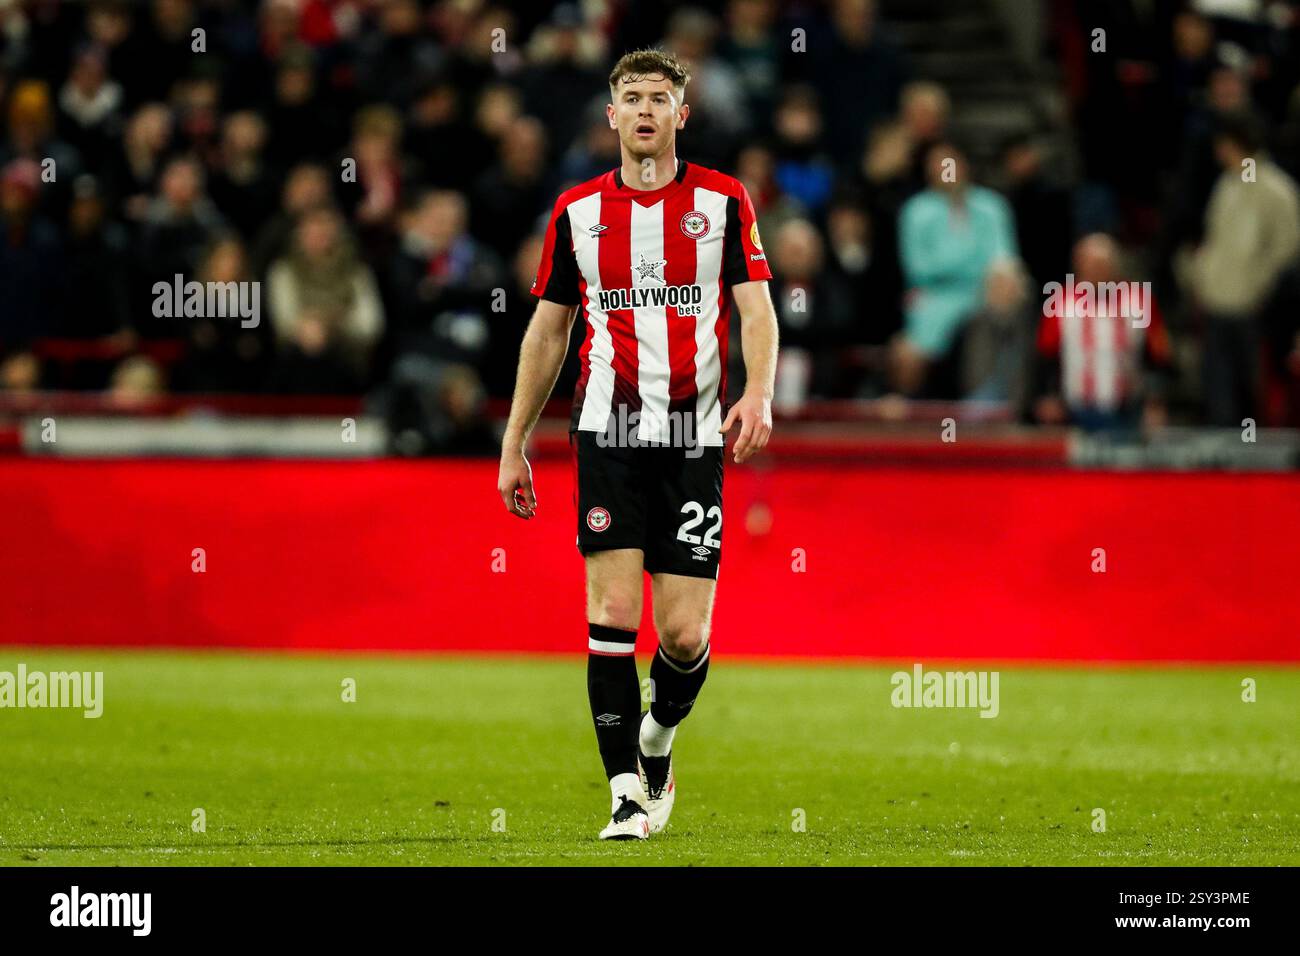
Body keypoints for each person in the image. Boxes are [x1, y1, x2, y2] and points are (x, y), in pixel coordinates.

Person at [496, 48, 779, 841]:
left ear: (682, 114)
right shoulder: (577, 212)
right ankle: (625, 792)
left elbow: (755, 309)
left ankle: (656, 740)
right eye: (632, 97)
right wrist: (515, 440)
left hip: (693, 436)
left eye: (661, 97)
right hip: (609, 433)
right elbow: (549, 330)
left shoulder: (723, 203)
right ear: (612, 114)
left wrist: (757, 392)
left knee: (685, 636)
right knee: (612, 611)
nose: (646, 110)